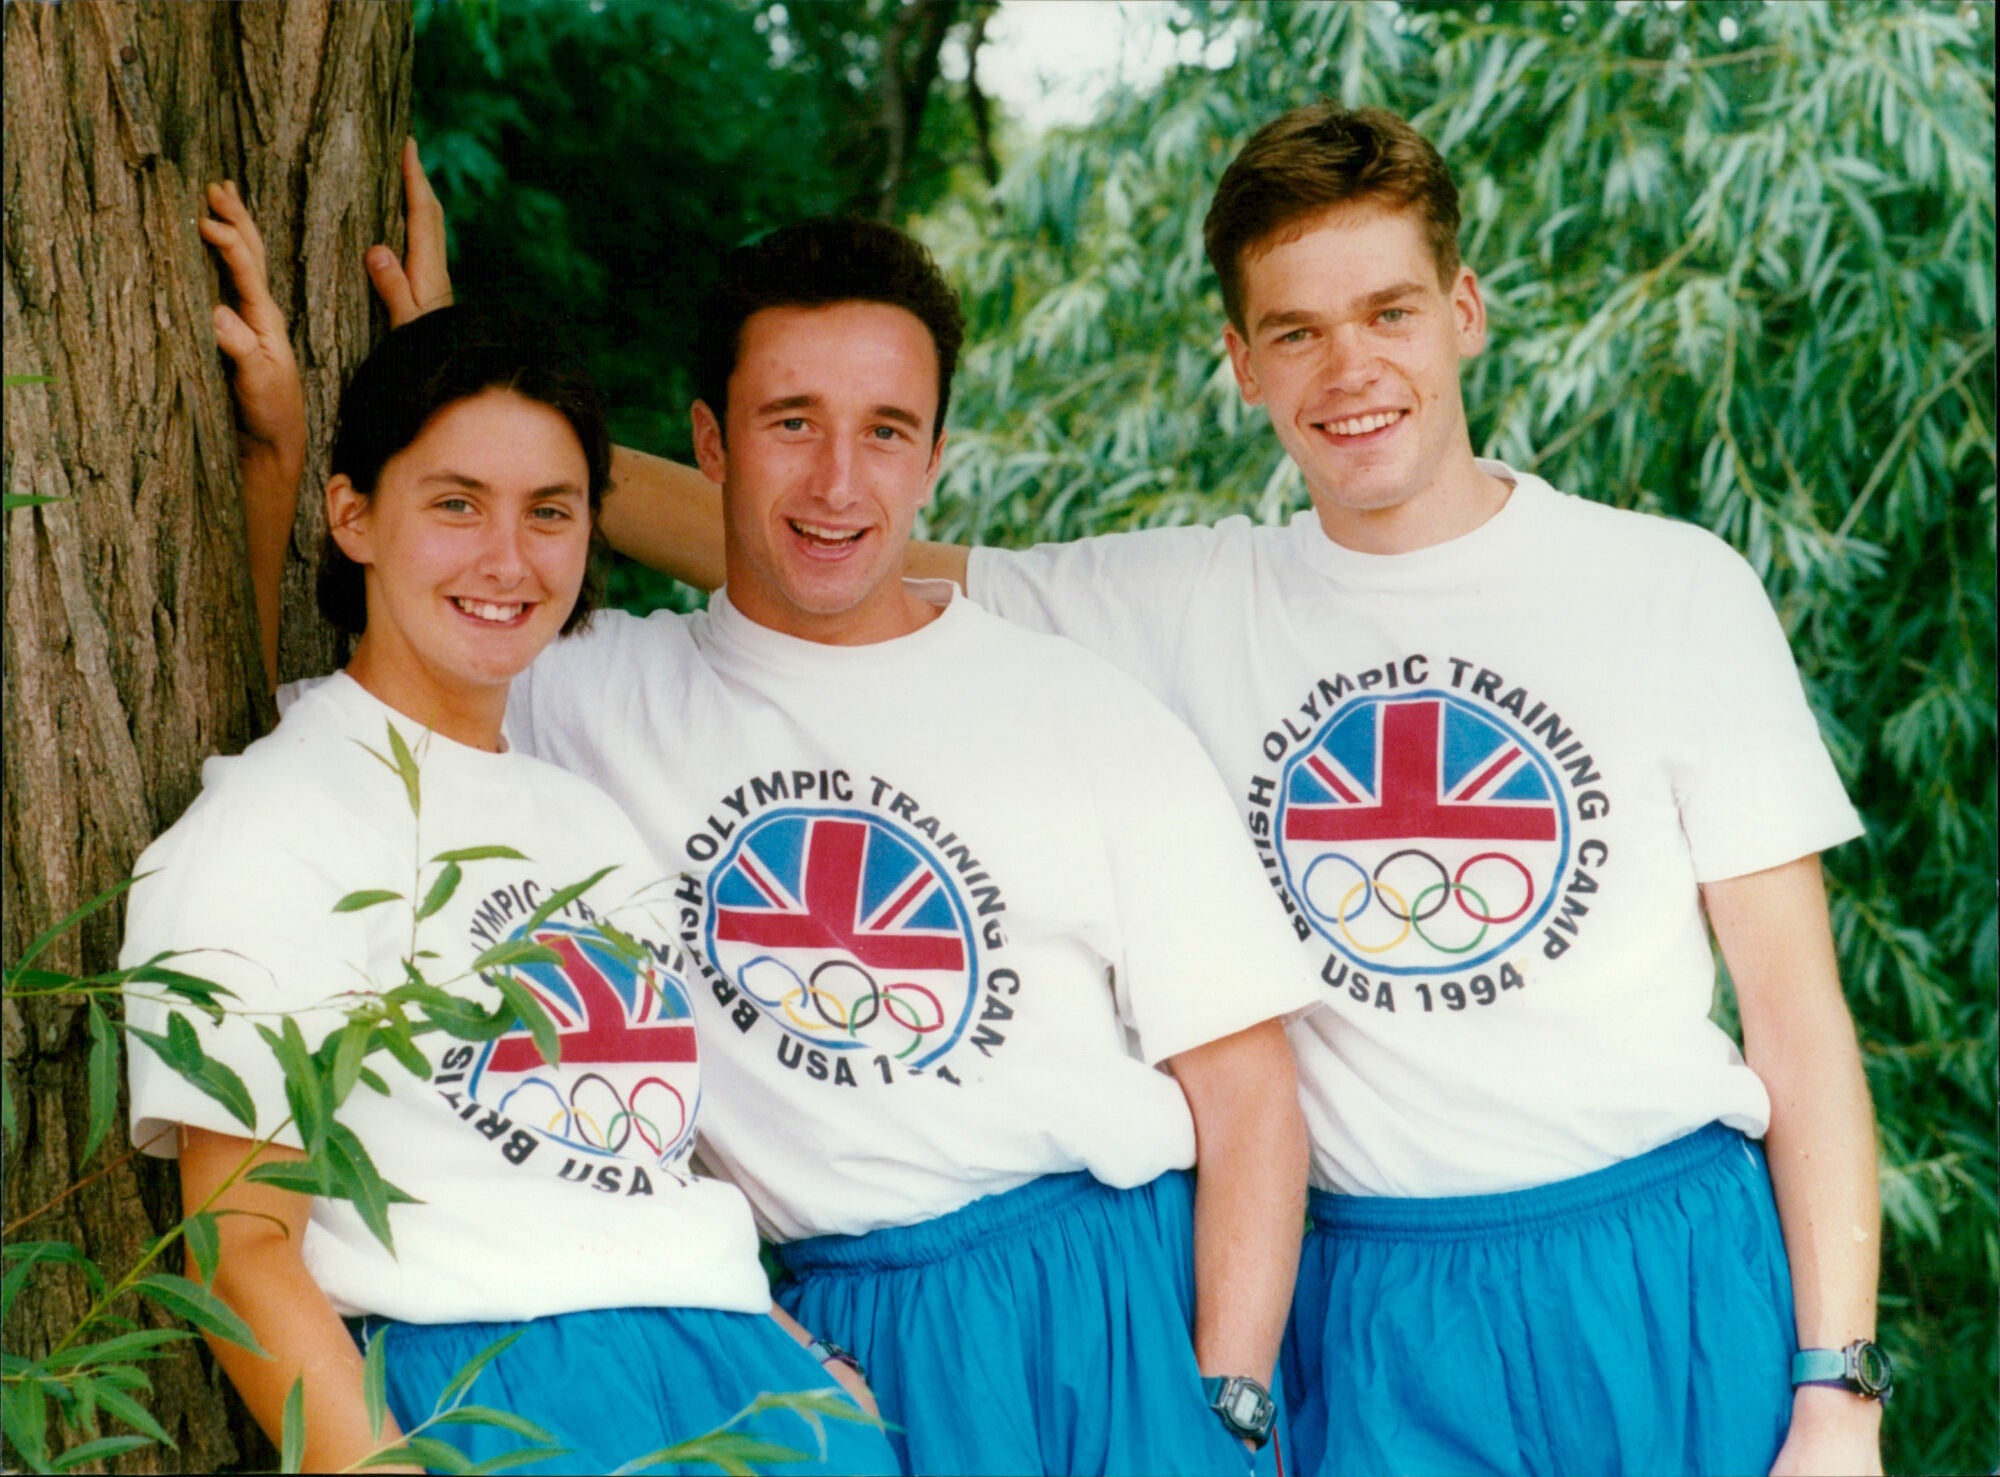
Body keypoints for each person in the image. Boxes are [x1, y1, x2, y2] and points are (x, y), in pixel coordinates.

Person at [601, 106, 1889, 1476]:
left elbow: (1798, 1021)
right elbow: (822, 548)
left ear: (1465, 308)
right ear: (1241, 362)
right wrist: (508, 442)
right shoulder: (1175, 606)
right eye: (1295, 331)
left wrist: (1838, 1390)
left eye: (1388, 311)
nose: (1350, 369)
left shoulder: (1671, 586)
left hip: (1664, 1261)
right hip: (1372, 1303)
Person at [254, 148, 1321, 1476]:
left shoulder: (1075, 707)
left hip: (1101, 1291)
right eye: (790, 421)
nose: (836, 481)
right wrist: (373, 416)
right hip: (821, 1329)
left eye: (886, 430)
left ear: (935, 452)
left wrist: (1224, 1396)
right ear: (709, 440)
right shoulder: (578, 699)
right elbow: (325, 726)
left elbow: (1249, 1091)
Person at [119, 181, 896, 1476]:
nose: (510, 556)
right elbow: (239, 1240)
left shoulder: (584, 818)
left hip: (751, 1389)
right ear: (354, 513)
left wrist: (780, 1351)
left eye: (551, 509)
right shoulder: (264, 826)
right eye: (457, 502)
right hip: (493, 1385)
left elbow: (639, 1148)